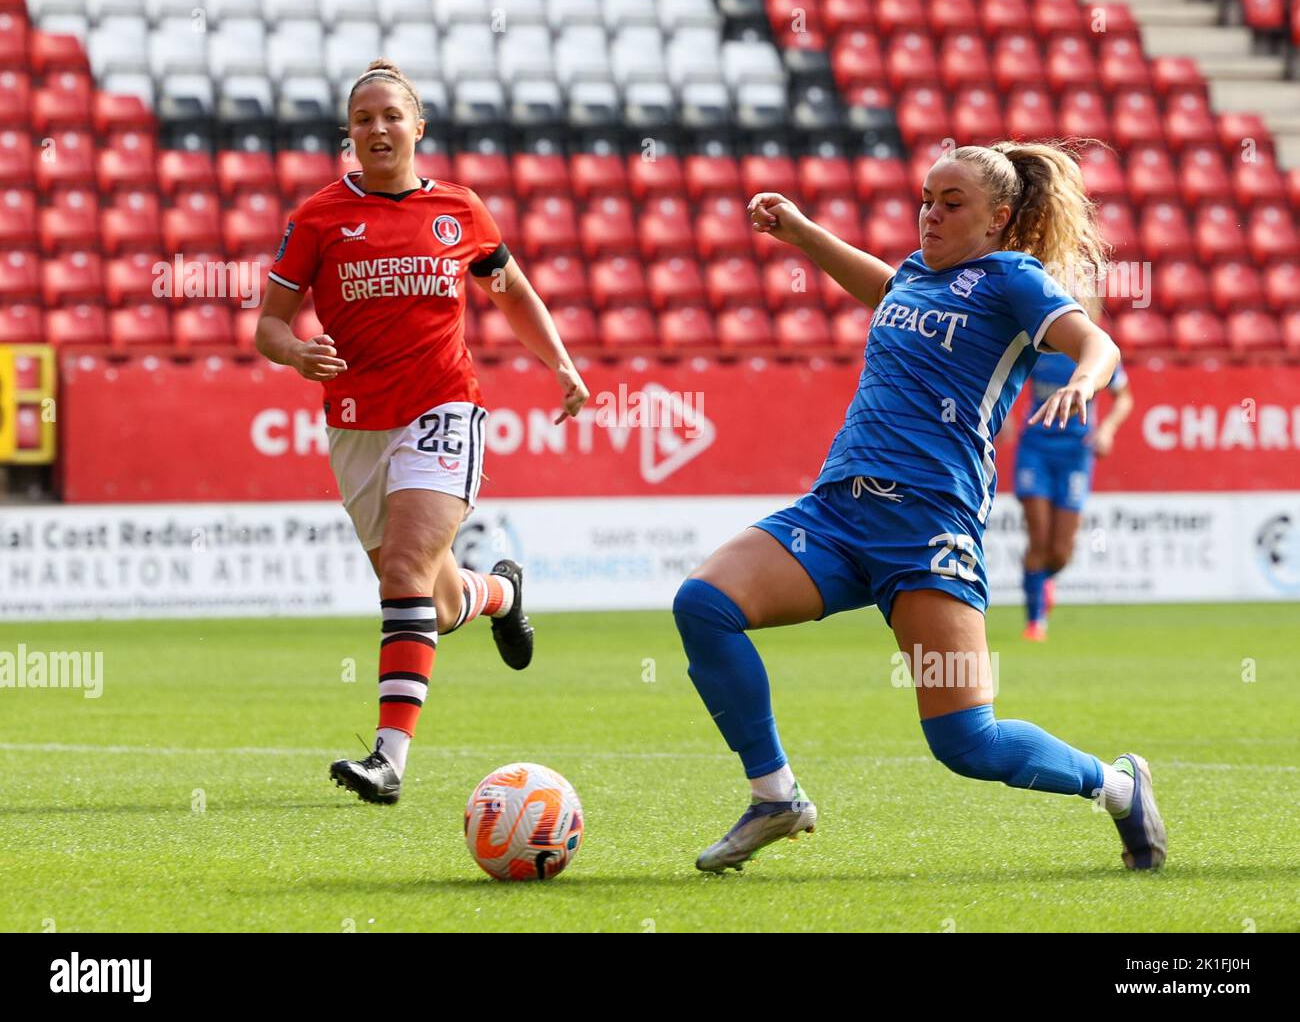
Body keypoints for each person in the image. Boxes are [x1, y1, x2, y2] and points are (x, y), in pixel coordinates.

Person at [672, 142, 1165, 873]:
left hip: (929, 525)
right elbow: (883, 284)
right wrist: (802, 231)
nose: (931, 213)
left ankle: (1119, 786)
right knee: (703, 604)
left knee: (969, 744)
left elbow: (1096, 341)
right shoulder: (912, 274)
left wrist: (1085, 382)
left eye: (952, 203)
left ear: (999, 218)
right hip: (838, 513)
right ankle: (776, 795)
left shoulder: (1012, 279)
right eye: (927, 199)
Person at [255, 59, 589, 804]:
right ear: (349, 135)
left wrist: (561, 363)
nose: (377, 128)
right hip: (355, 425)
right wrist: (297, 351)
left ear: (418, 126)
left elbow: (511, 291)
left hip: (443, 408)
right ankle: (501, 592)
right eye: (363, 119)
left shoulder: (460, 211)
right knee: (429, 601)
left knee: (403, 573)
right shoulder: (316, 219)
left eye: (390, 115)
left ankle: (388, 759)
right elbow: (268, 327)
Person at [1015, 343, 1134, 640]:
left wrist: (1107, 429)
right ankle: (1035, 621)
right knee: (1038, 537)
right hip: (1036, 450)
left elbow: (1124, 399)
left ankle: (1044, 581)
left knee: (1060, 552)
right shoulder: (1036, 347)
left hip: (1076, 453)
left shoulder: (1093, 351)